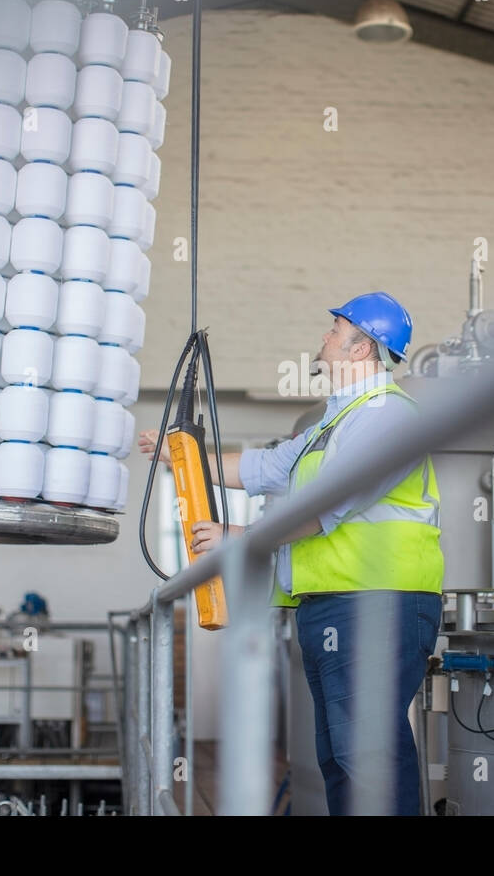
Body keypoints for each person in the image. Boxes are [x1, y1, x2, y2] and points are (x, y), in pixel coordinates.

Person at [139, 292, 443, 815]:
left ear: (362, 349)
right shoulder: (331, 423)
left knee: (367, 752)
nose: (323, 336)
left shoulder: (387, 415)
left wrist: (241, 539)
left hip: (377, 601)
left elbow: (332, 503)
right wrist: (184, 457)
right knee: (339, 756)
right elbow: (263, 468)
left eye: (335, 329)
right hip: (330, 603)